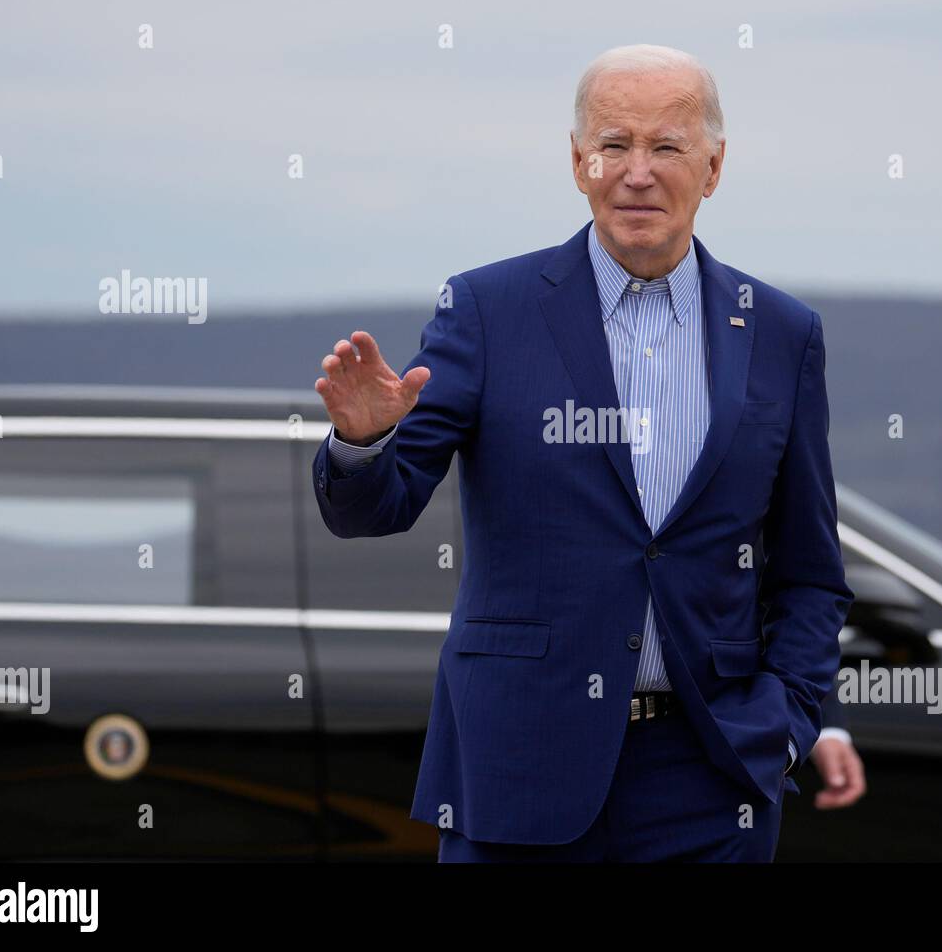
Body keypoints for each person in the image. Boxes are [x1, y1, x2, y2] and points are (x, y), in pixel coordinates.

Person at [311, 44, 854, 861]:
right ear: (577, 162)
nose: (637, 172)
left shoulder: (781, 332)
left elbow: (810, 572)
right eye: (614, 145)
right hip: (519, 768)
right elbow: (374, 510)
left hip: (708, 779)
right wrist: (364, 439)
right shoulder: (489, 310)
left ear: (713, 168)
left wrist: (784, 726)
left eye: (666, 147)